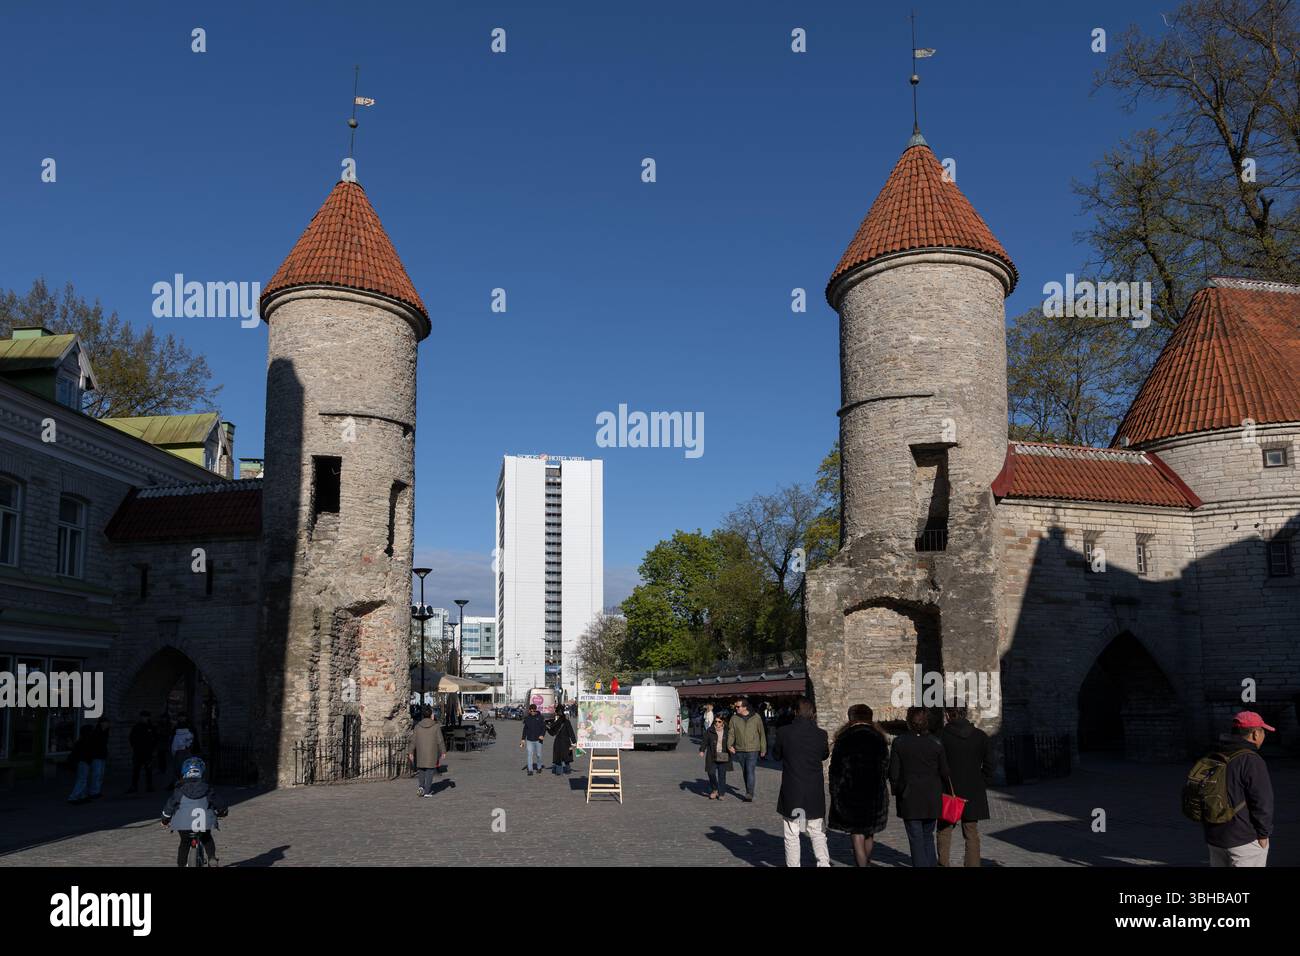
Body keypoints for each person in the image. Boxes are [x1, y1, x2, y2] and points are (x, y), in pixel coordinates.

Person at [1200, 711, 1275, 867]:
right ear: (1255, 734)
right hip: (1244, 840)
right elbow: (1263, 802)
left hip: (1215, 837)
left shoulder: (1214, 755)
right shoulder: (1251, 760)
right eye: (1263, 732)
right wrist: (1263, 834)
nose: (1264, 736)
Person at [889, 707, 951, 867]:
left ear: (909, 722)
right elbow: (945, 771)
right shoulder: (936, 742)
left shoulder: (899, 742)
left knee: (916, 838)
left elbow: (893, 772)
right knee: (927, 835)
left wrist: (897, 790)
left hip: (909, 795)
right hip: (931, 795)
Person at [828, 704, 890, 867]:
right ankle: (866, 863)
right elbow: (885, 766)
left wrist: (834, 793)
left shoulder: (844, 738)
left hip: (850, 792)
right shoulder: (879, 737)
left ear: (851, 718)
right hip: (874, 792)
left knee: (857, 833)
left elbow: (835, 770)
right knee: (869, 832)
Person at [772, 697, 831, 867]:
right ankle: (824, 864)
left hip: (793, 789)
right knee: (817, 831)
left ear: (795, 712)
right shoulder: (821, 734)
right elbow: (824, 755)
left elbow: (776, 755)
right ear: (813, 713)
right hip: (813, 790)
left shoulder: (784, 732)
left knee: (792, 833)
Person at [937, 707, 993, 867]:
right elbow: (990, 764)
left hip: (949, 790)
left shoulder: (942, 736)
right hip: (973, 791)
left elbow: (937, 764)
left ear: (948, 715)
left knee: (944, 832)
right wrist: (981, 782)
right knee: (971, 833)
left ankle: (943, 864)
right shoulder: (980, 736)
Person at [161, 756, 227, 867]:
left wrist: (165, 819)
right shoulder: (207, 788)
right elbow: (219, 804)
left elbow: (170, 806)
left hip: (183, 824)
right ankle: (211, 857)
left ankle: (181, 865)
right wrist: (222, 812)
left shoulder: (179, 789)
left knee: (184, 843)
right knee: (206, 838)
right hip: (203, 823)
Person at [725, 696, 767, 803]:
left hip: (753, 749)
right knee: (745, 772)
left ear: (745, 707)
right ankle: (749, 789)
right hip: (739, 749)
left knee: (750, 770)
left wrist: (763, 748)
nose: (736, 708)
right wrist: (729, 745)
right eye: (736, 707)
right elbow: (731, 733)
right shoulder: (734, 718)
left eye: (738, 706)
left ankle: (749, 794)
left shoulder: (756, 717)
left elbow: (762, 733)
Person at [409, 705, 447, 797]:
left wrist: (410, 751)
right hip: (431, 752)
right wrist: (443, 751)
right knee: (430, 771)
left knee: (421, 770)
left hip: (421, 752)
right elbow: (440, 740)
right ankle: (427, 791)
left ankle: (421, 787)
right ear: (431, 715)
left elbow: (413, 740)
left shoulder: (418, 726)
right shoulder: (435, 726)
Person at [699, 714, 731, 799]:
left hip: (723, 754)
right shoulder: (710, 730)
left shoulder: (727, 731)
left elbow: (732, 741)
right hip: (712, 754)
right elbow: (704, 741)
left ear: (723, 722)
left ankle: (721, 793)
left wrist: (732, 748)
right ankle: (714, 789)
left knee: (722, 775)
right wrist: (702, 750)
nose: (717, 723)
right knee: (711, 772)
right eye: (716, 721)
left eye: (719, 721)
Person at [127, 711, 157, 794]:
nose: (144, 718)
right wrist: (135, 747)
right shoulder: (136, 727)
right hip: (138, 752)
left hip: (148, 752)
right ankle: (134, 786)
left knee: (148, 770)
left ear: (148, 717)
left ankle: (149, 786)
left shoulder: (151, 727)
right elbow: (131, 738)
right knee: (136, 770)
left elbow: (155, 739)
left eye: (146, 717)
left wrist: (153, 750)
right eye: (143, 717)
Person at [66, 725, 94, 804]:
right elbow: (86, 753)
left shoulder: (81, 740)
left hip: (82, 761)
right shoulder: (86, 741)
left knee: (82, 779)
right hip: (83, 761)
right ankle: (73, 797)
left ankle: (83, 796)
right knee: (82, 780)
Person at [546, 707, 577, 775]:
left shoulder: (556, 722)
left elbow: (552, 733)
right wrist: (574, 742)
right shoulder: (567, 721)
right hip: (566, 742)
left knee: (558, 758)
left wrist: (547, 728)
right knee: (566, 757)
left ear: (557, 713)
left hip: (558, 742)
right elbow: (571, 732)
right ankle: (568, 770)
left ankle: (559, 772)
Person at [520, 703, 546, 776]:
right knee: (529, 755)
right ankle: (530, 770)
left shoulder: (540, 717)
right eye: (531, 711)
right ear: (529, 711)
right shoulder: (527, 718)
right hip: (529, 740)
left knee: (538, 755)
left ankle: (539, 767)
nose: (532, 712)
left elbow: (544, 728)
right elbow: (525, 729)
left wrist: (542, 735)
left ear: (536, 710)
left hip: (538, 740)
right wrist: (523, 739)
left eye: (533, 711)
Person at [87, 719, 110, 799]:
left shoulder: (105, 733)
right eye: (105, 723)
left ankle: (97, 791)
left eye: (107, 723)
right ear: (101, 723)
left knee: (100, 774)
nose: (107, 725)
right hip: (97, 756)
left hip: (102, 755)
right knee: (96, 774)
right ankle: (93, 792)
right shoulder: (97, 733)